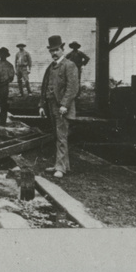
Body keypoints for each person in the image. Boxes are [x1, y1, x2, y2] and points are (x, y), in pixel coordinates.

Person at [38, 35, 80, 179]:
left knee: (61, 137)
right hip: (50, 105)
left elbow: (73, 87)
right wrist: (42, 105)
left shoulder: (69, 65)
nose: (54, 53)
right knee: (57, 136)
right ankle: (61, 164)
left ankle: (60, 168)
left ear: (62, 49)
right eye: (51, 51)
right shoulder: (51, 67)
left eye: (56, 50)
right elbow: (44, 86)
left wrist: (64, 105)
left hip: (62, 107)